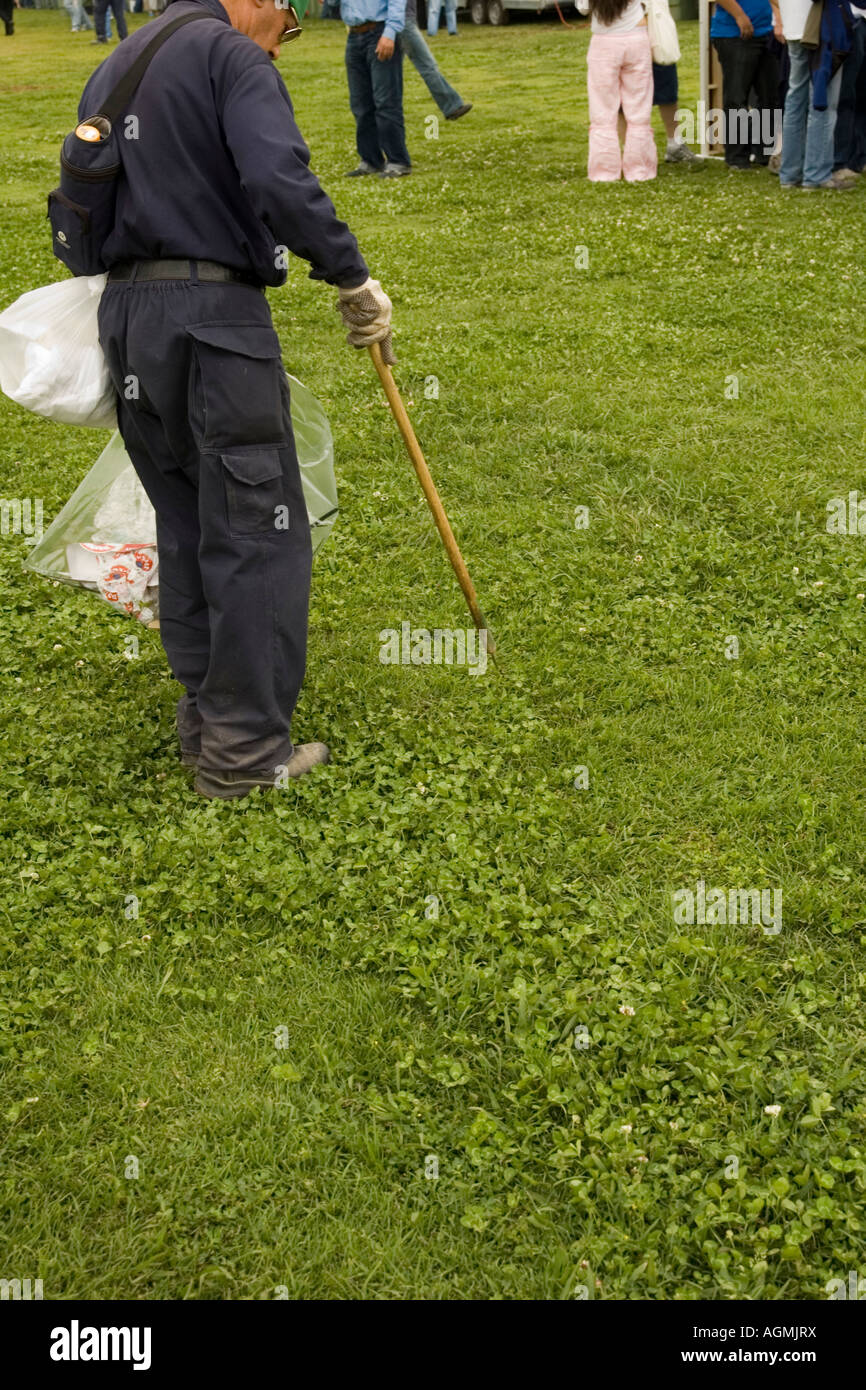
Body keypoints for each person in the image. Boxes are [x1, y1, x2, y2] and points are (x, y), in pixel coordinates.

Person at [72, 0, 394, 798]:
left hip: (127, 320)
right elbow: (277, 177)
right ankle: (246, 754)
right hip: (212, 322)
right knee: (257, 531)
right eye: (287, 25)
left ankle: (207, 723)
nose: (281, 46)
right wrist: (351, 277)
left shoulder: (118, 61)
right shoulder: (230, 56)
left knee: (186, 524)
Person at [577, 0, 657, 182]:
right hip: (637, 37)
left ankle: (604, 172)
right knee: (639, 108)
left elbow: (583, 8)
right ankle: (640, 170)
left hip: (604, 41)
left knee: (602, 110)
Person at [779, 0, 853, 187]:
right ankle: (816, 175)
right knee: (823, 102)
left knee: (795, 99)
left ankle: (790, 173)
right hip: (820, 26)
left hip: (794, 25)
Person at [341, 0, 412, 177]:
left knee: (386, 101)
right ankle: (371, 160)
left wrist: (390, 33)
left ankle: (398, 160)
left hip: (380, 33)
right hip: (354, 35)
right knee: (360, 104)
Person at [710, 0, 781, 169]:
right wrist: (739, 16)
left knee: (770, 96)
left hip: (768, 33)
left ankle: (764, 152)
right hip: (734, 34)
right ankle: (737, 157)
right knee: (737, 98)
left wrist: (778, 17)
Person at [401, 0, 471, 121]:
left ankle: (385, 110)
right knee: (427, 65)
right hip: (403, 21)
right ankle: (451, 107)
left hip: (399, 21)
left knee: (391, 70)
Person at [834, 2, 866, 178]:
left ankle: (860, 158)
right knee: (846, 95)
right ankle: (841, 160)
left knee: (861, 95)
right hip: (851, 20)